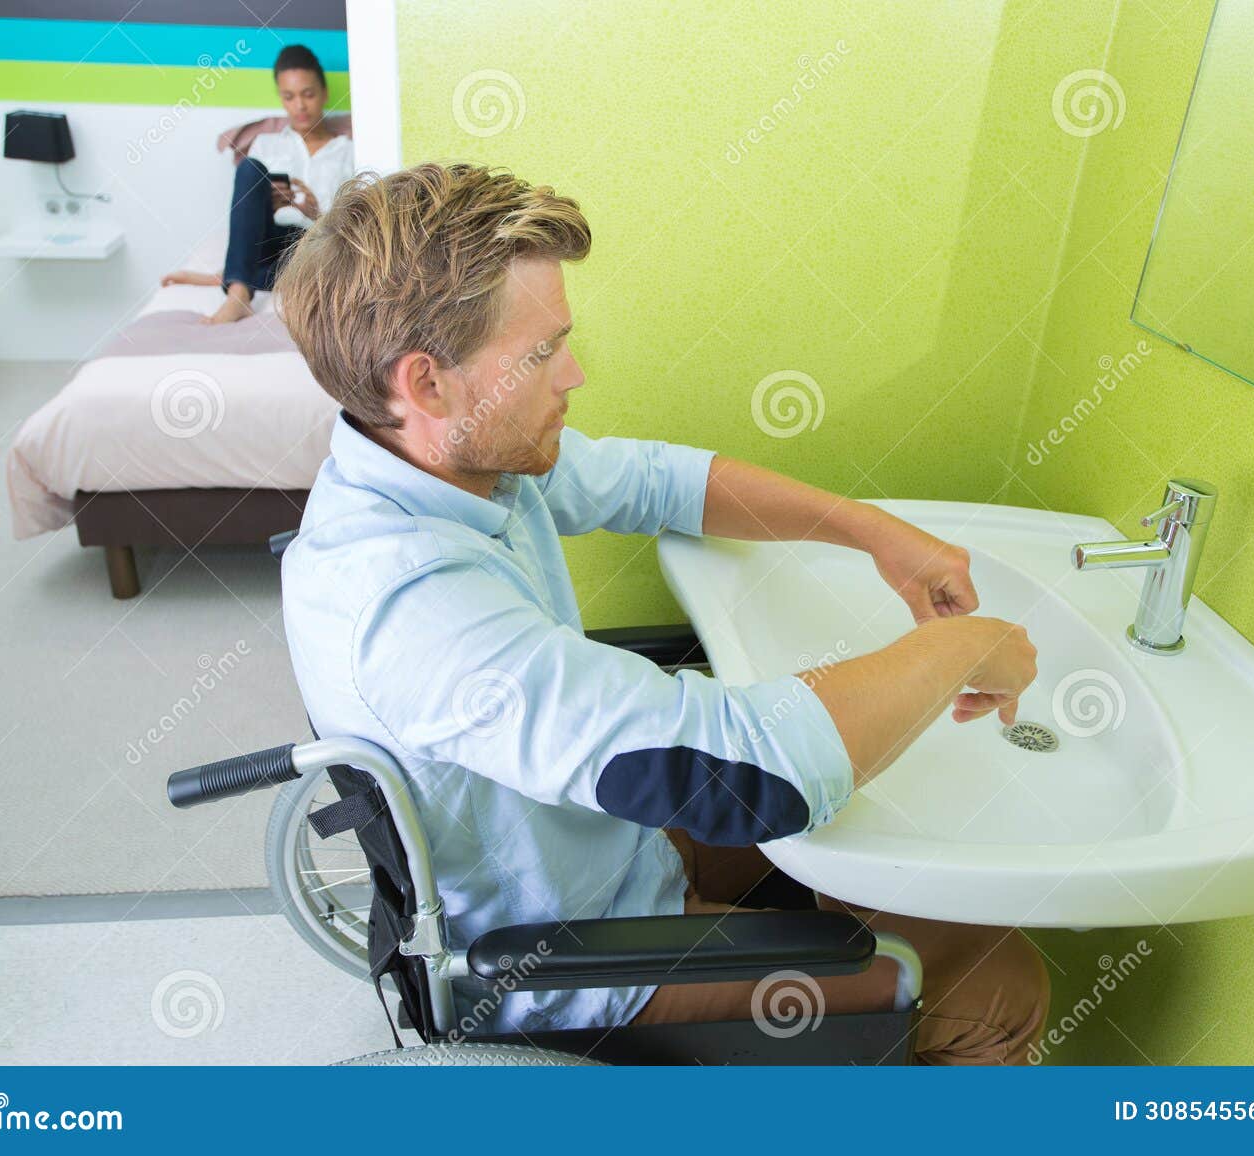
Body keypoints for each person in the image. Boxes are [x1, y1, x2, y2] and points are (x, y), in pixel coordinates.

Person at [274, 163, 1048, 1064]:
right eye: (539, 354)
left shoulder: (436, 461)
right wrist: (965, 647)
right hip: (568, 966)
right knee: (999, 985)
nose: (575, 373)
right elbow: (755, 775)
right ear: (429, 382)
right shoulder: (414, 612)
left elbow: (654, 482)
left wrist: (876, 535)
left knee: (873, 810)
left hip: (604, 852)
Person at [161, 44, 354, 324]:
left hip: (316, 241)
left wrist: (317, 215)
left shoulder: (348, 150)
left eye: (308, 94)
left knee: (327, 265)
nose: (299, 106)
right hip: (268, 238)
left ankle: (227, 276)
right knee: (251, 168)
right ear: (281, 99)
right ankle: (239, 293)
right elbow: (248, 211)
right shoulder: (266, 143)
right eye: (289, 97)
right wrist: (269, 202)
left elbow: (355, 223)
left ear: (324, 93)